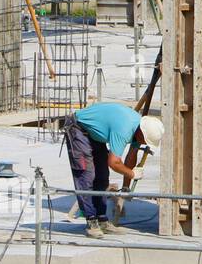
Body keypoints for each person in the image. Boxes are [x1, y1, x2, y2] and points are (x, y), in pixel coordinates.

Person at [63, 102, 163, 238]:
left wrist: (126, 185)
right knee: (87, 176)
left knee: (102, 176)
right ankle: (91, 220)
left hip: (94, 134)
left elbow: (130, 157)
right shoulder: (124, 129)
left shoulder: (138, 128)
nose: (144, 143)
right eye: (145, 140)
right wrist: (132, 173)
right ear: (142, 133)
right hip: (79, 128)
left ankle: (102, 220)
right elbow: (114, 162)